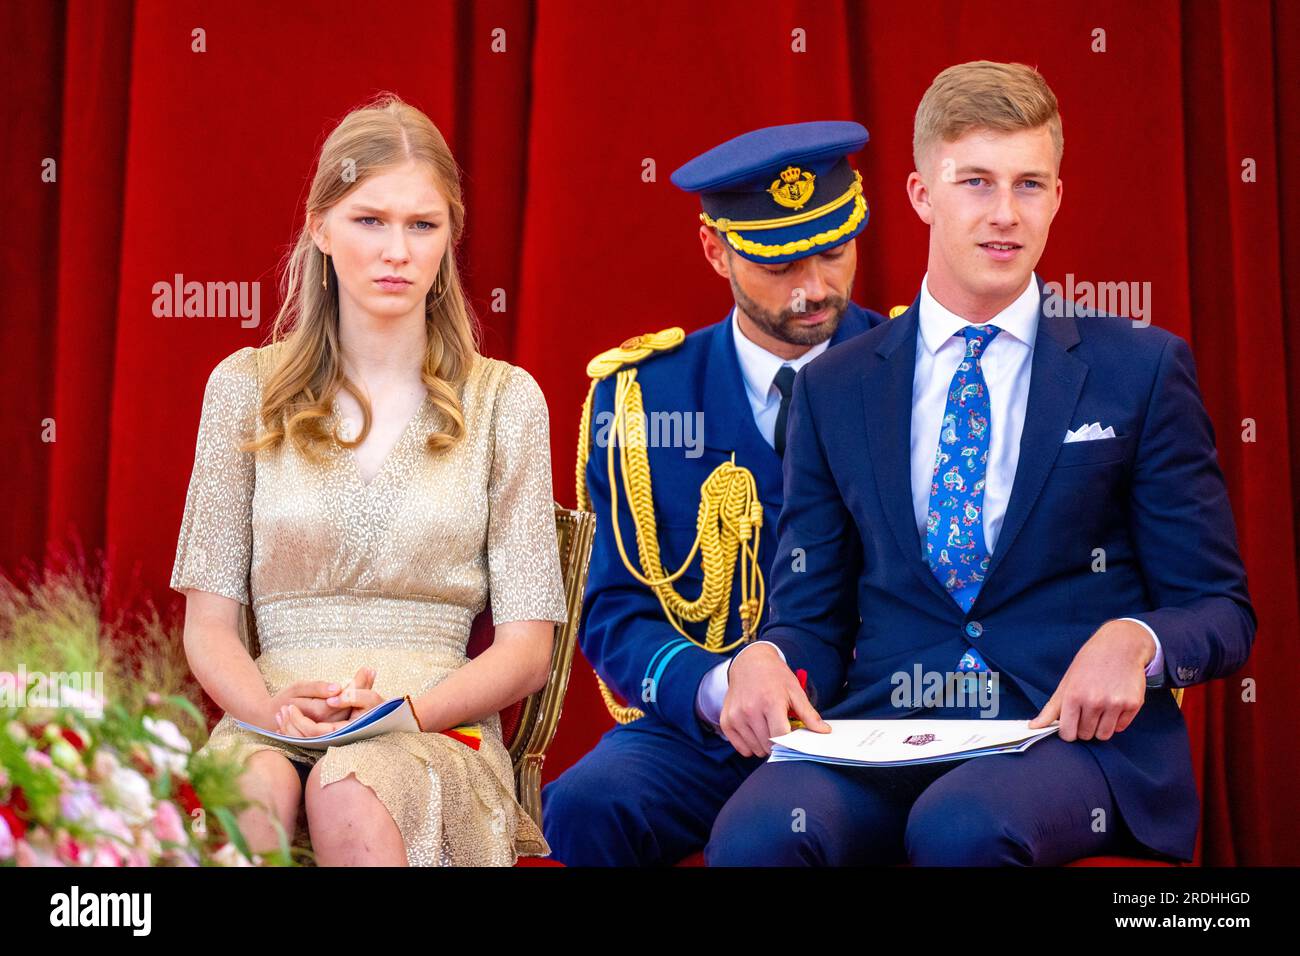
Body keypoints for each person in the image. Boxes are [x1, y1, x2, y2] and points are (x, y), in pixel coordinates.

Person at [707, 61, 1256, 866]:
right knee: (755, 836)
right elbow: (811, 618)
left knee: (961, 827)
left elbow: (1222, 611)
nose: (1005, 215)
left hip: (1065, 737)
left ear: (1058, 196)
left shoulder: (1140, 370)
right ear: (922, 195)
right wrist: (764, 658)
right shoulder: (835, 387)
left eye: (1030, 185)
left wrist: (1137, 638)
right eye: (975, 183)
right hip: (890, 730)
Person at [169, 93, 568, 866]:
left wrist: (402, 711)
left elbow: (526, 652)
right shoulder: (242, 389)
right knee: (252, 796)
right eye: (369, 220)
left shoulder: (504, 402)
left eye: (423, 225)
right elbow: (208, 627)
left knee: (350, 785)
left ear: (449, 238)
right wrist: (269, 711)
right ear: (319, 228)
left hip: (430, 727)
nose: (398, 251)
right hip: (267, 712)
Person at [542, 122, 890, 865]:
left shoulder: (916, 370)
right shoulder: (642, 396)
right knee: (583, 804)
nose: (815, 288)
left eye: (833, 250)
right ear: (716, 250)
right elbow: (613, 610)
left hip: (871, 721)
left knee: (770, 837)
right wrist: (717, 683)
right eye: (779, 263)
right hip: (710, 724)